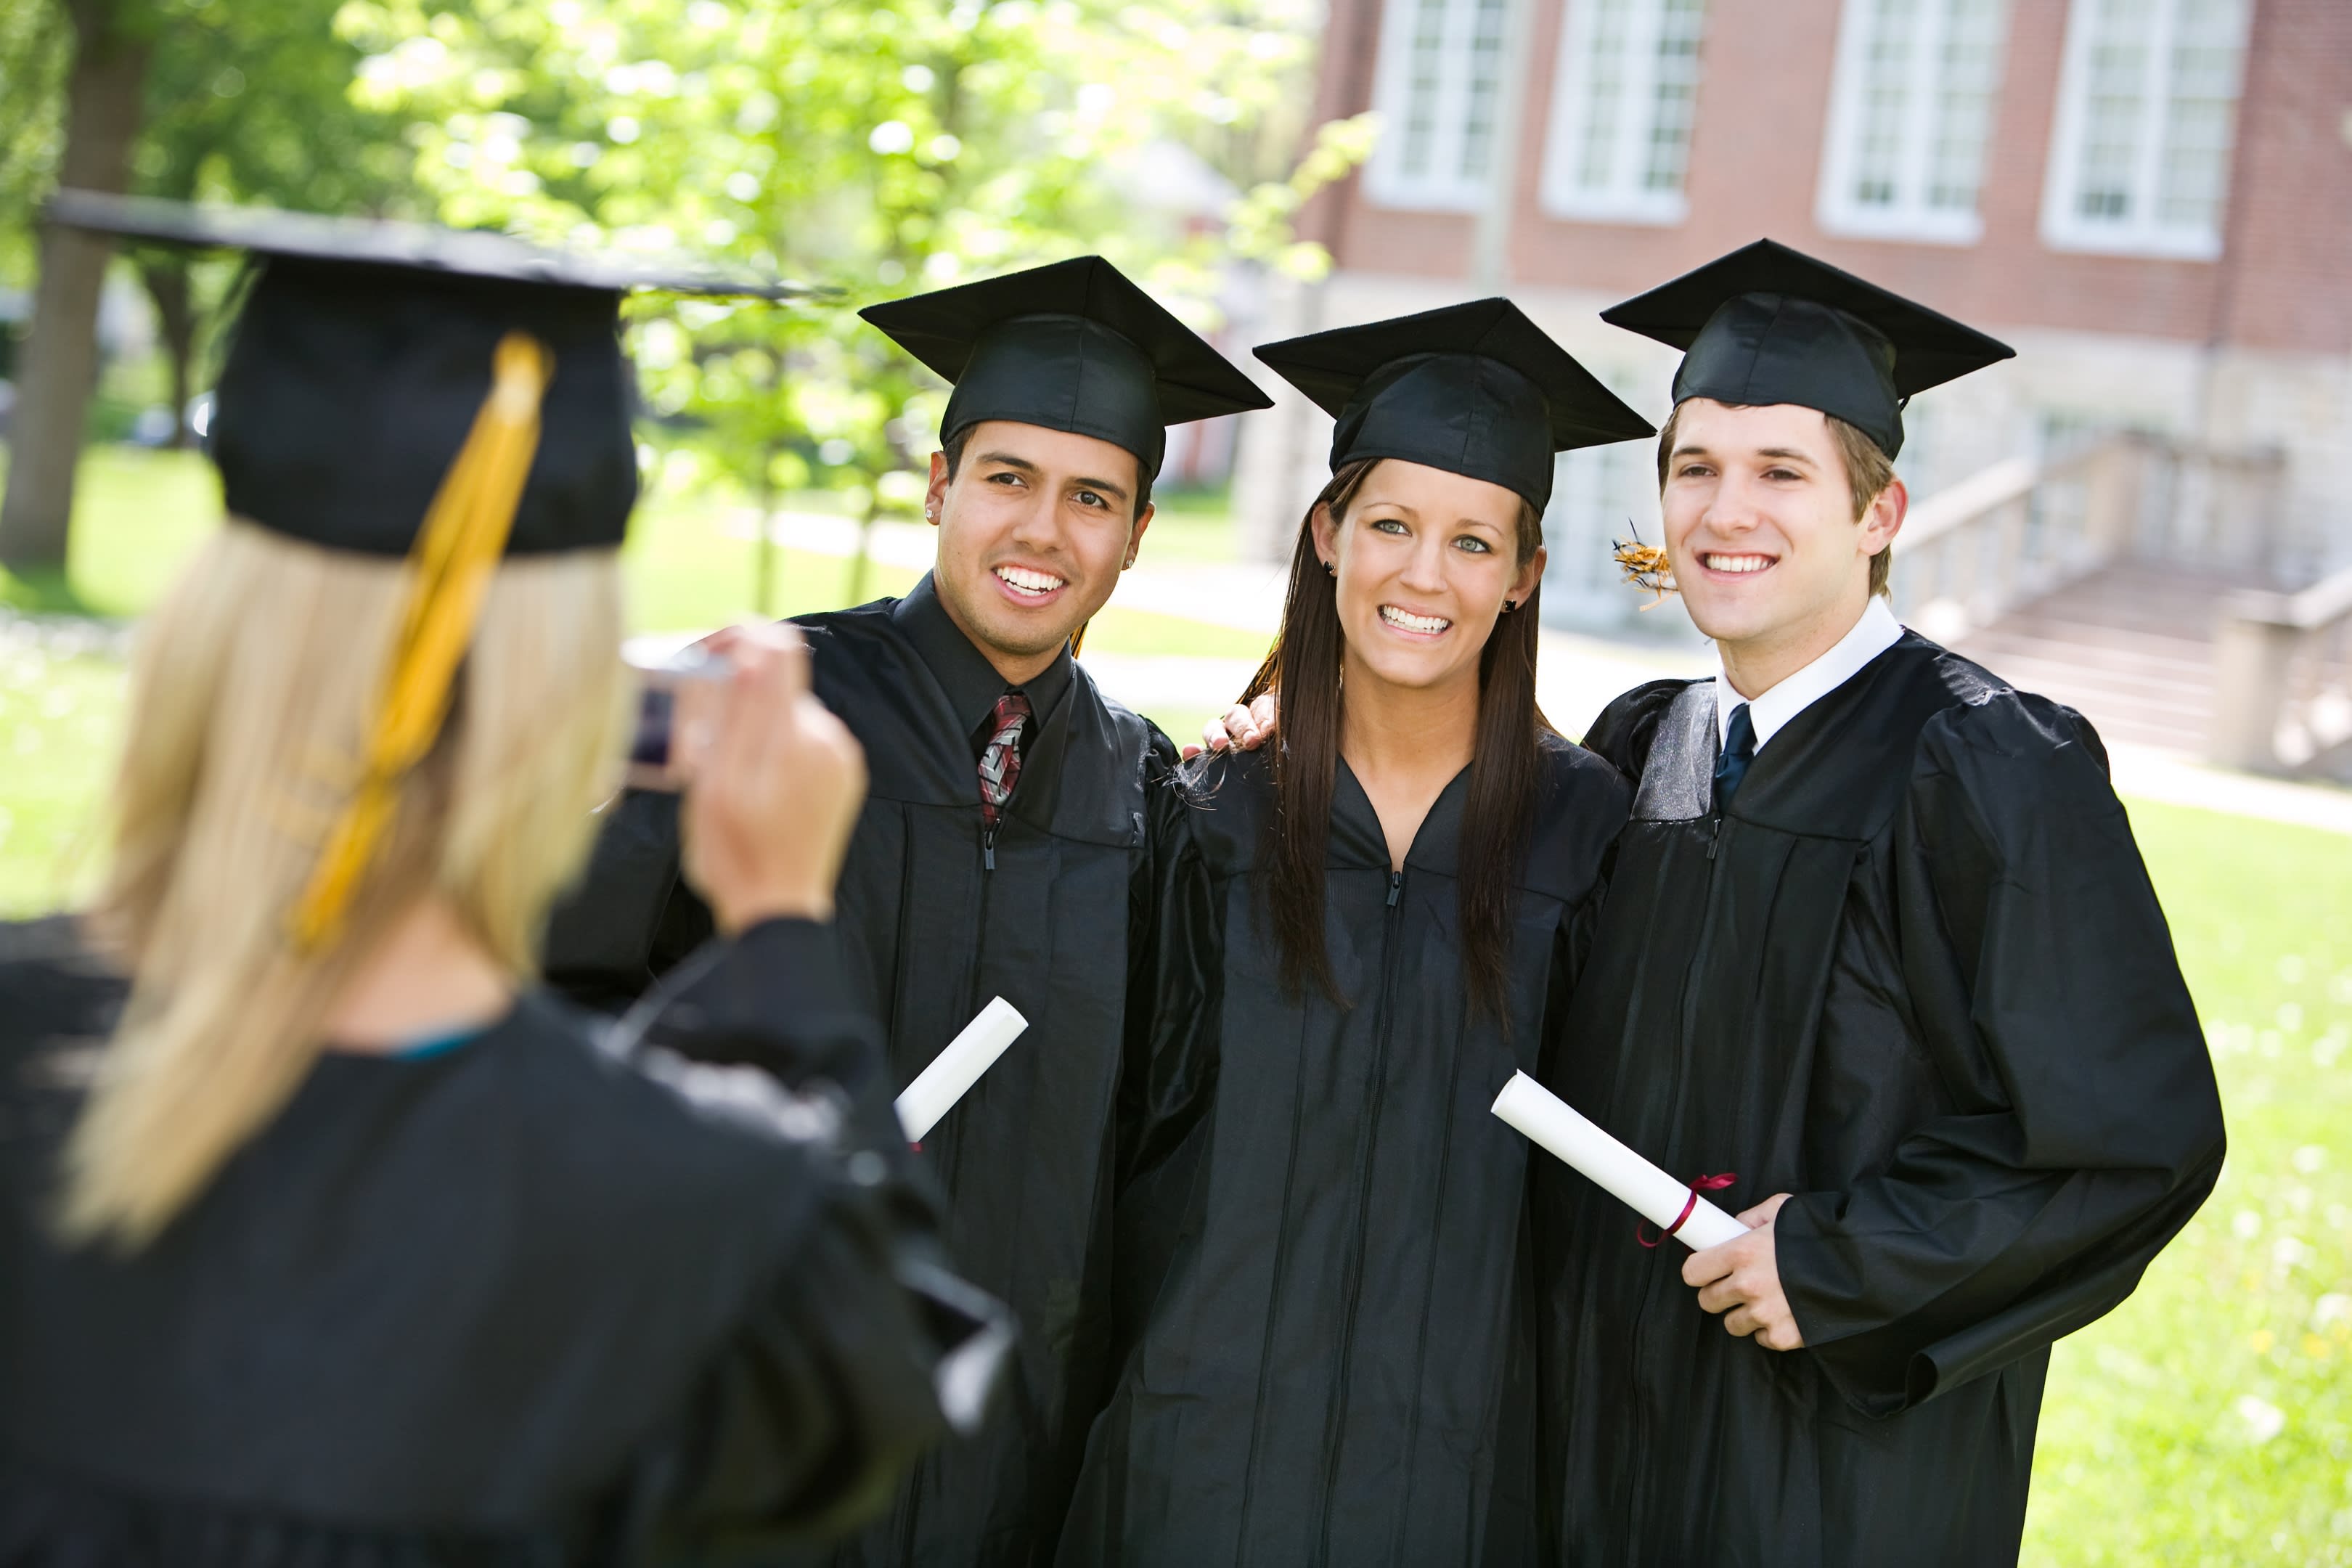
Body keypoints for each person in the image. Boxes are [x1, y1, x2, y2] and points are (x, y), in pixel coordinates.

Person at [0, 194, 1008, 1565]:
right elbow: (872, 1367)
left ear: (209, 627)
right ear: (576, 688)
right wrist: (777, 926)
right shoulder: (684, 1209)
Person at [543, 256, 1271, 1567]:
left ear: (1137, 534)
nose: (1044, 533)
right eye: (1008, 479)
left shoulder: (1147, 785)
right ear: (940, 488)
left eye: (1092, 498)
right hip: (748, 1405)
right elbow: (562, 1001)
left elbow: (1158, 1137)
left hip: (1010, 1447)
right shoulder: (756, 708)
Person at [1055, 301, 1651, 1564]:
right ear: (1327, 535)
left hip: (1458, 1477)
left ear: (1524, 574)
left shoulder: (1588, 835)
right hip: (1193, 1460)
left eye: (1474, 542)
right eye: (1389, 525)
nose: (1423, 576)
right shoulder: (1209, 810)